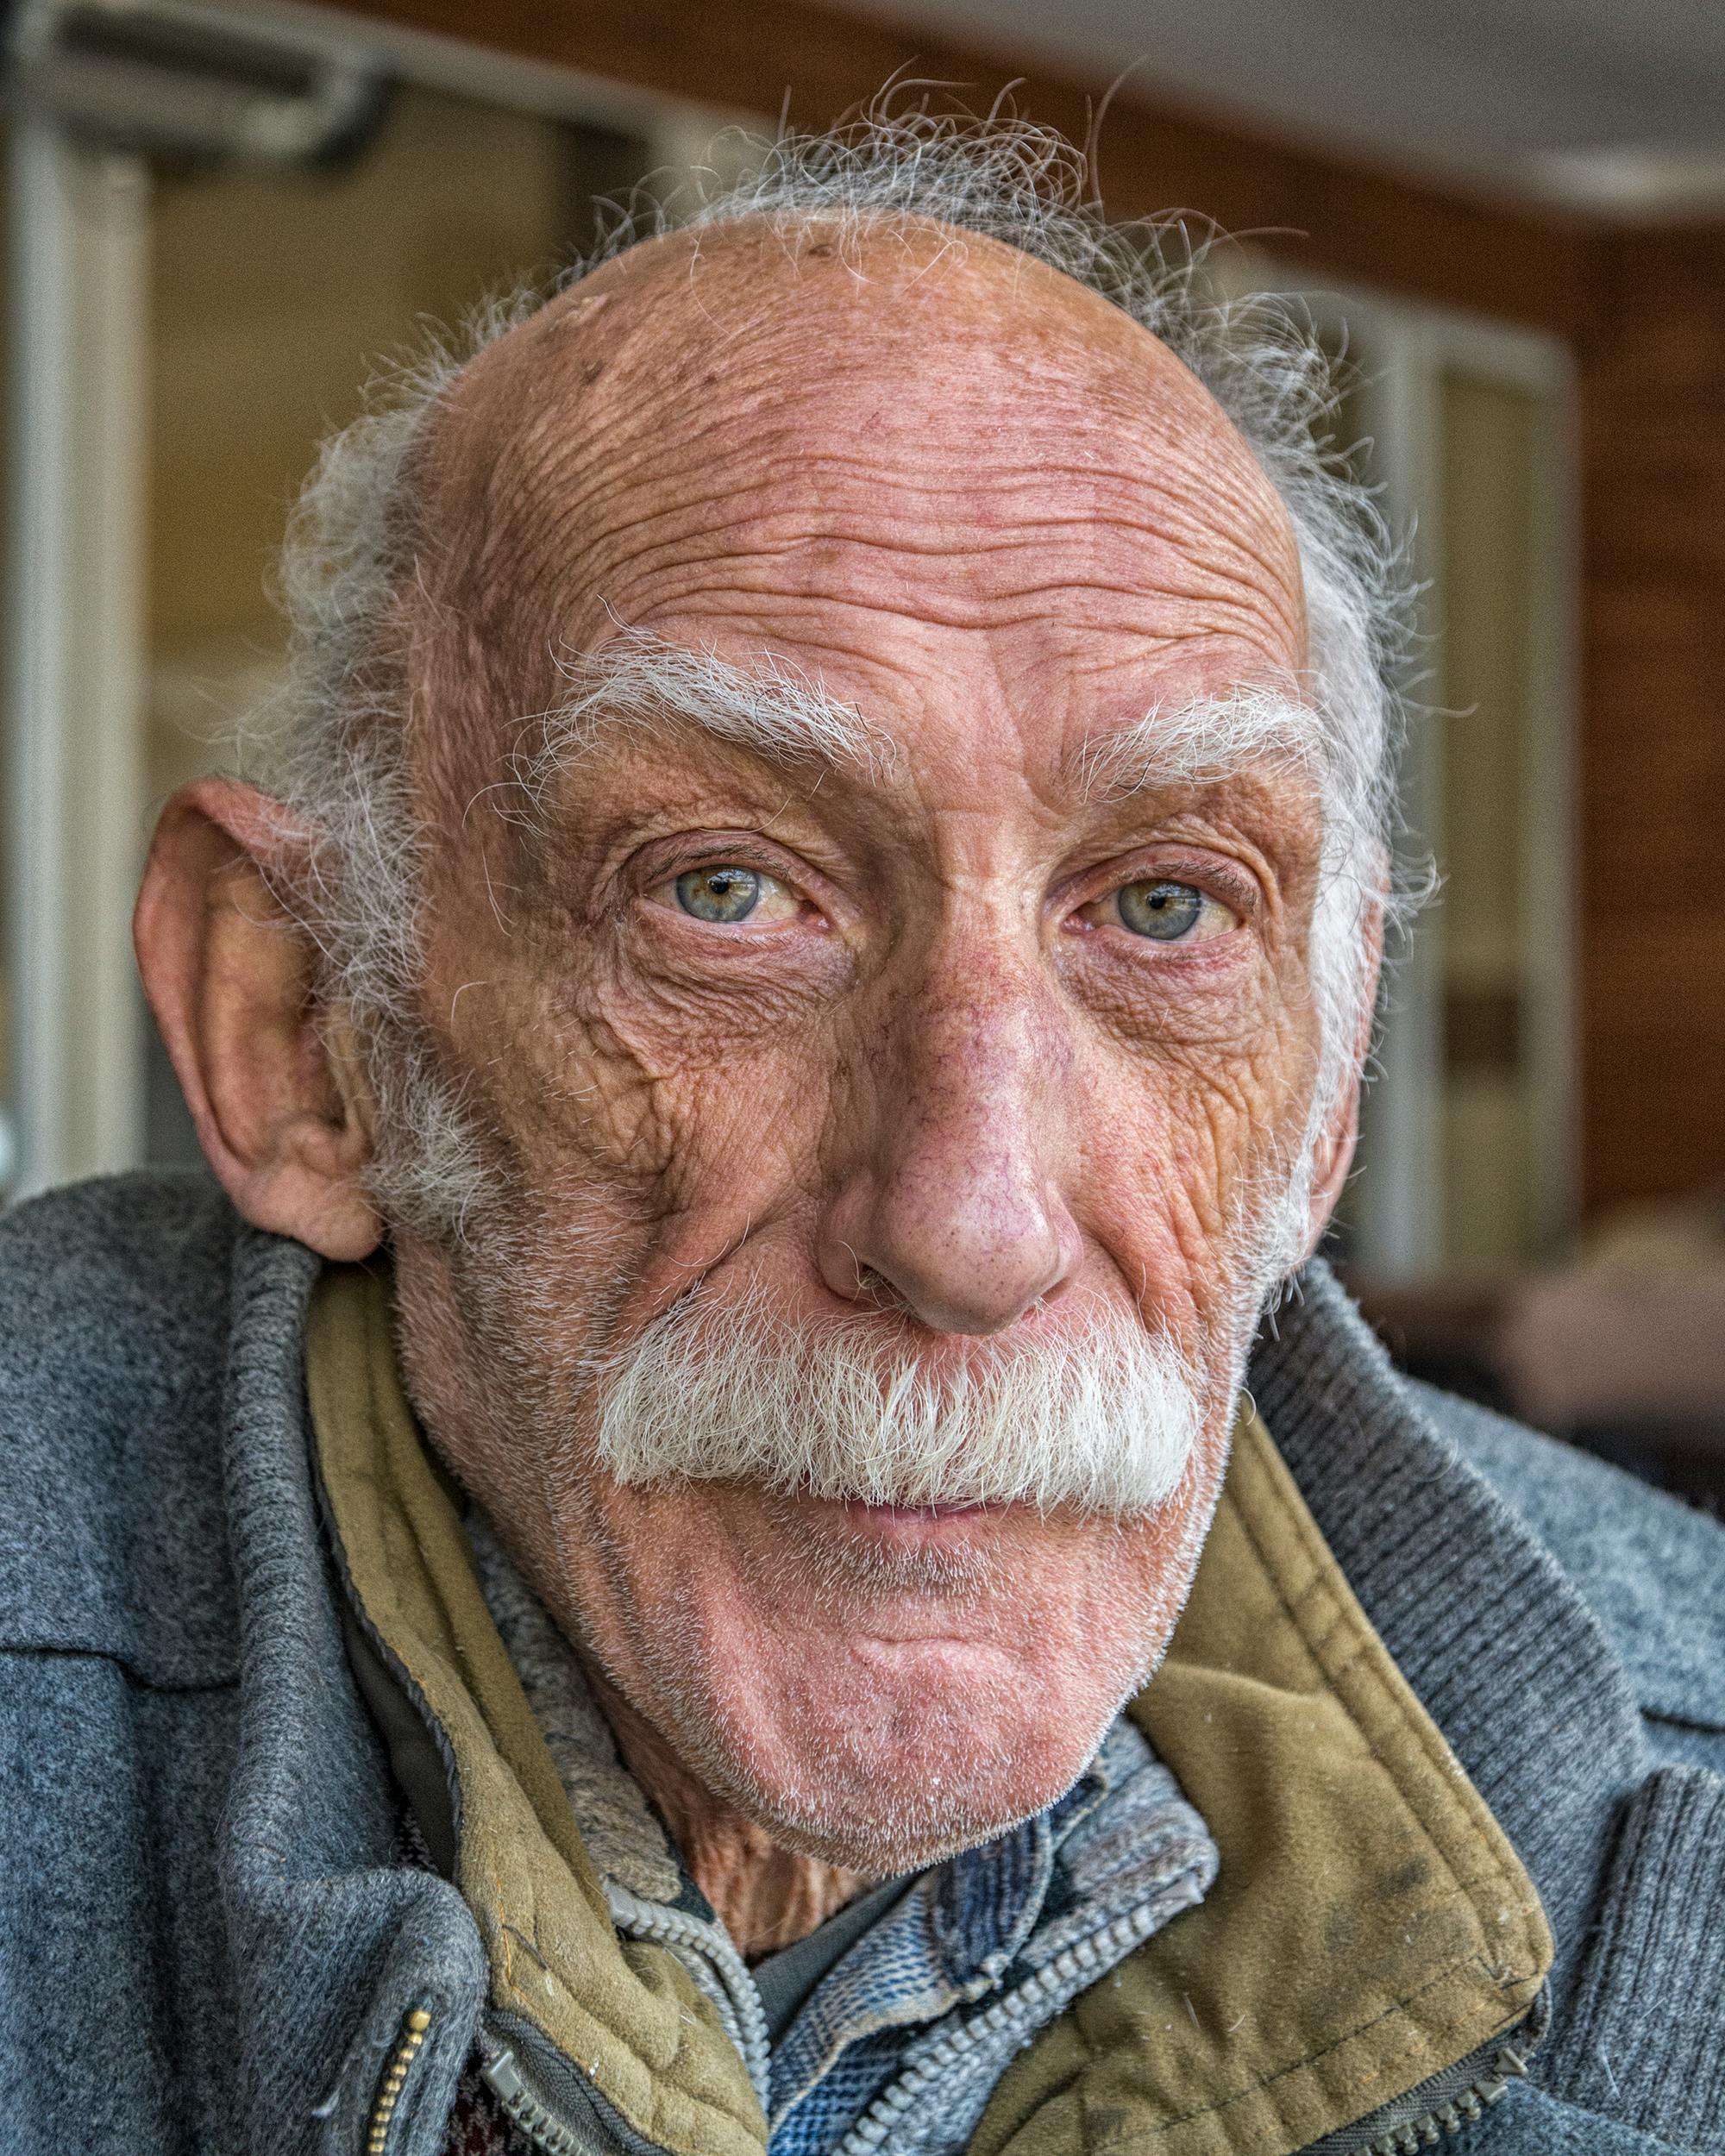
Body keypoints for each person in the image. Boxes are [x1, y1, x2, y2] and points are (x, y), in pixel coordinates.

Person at [3, 115, 1721, 2156]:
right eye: (723, 889)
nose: (972, 1221)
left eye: (1163, 906)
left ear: (1326, 1096)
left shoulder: (1673, 1774)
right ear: (303, 1028)